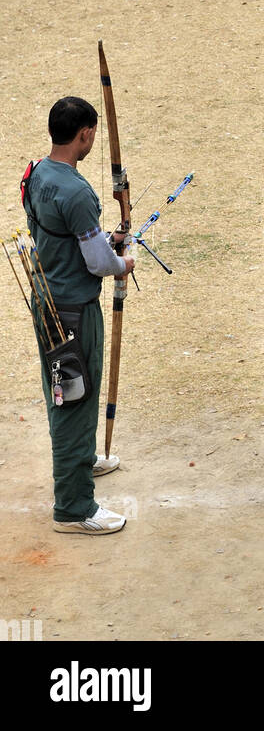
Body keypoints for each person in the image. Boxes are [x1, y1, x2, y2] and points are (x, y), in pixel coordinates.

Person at [21, 97, 136, 535]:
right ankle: (73, 507)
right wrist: (122, 263)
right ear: (85, 134)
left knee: (66, 394)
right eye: (93, 134)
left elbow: (65, 238)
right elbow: (98, 264)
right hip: (72, 312)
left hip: (47, 300)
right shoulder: (77, 191)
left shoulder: (35, 174)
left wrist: (107, 240)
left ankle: (81, 461)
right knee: (74, 400)